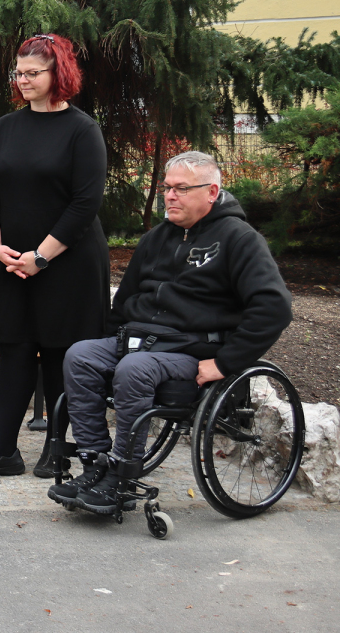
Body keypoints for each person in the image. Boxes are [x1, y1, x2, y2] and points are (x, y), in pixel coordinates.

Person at [51, 151, 292, 512]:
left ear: (211, 192)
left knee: (135, 369)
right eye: (167, 188)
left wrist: (225, 362)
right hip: (140, 341)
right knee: (80, 355)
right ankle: (95, 463)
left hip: (191, 350)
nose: (170, 196)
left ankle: (121, 474)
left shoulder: (239, 239)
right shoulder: (155, 239)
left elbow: (274, 307)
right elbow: (127, 299)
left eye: (181, 188)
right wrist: (112, 339)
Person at [0, 34, 110, 481]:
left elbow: (85, 205)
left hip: (68, 263)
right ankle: (3, 451)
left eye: (32, 73)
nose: (22, 80)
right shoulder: (6, 127)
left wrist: (40, 258)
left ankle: (57, 450)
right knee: (15, 351)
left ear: (57, 73)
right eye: (18, 72)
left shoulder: (83, 130)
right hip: (11, 263)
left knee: (64, 357)